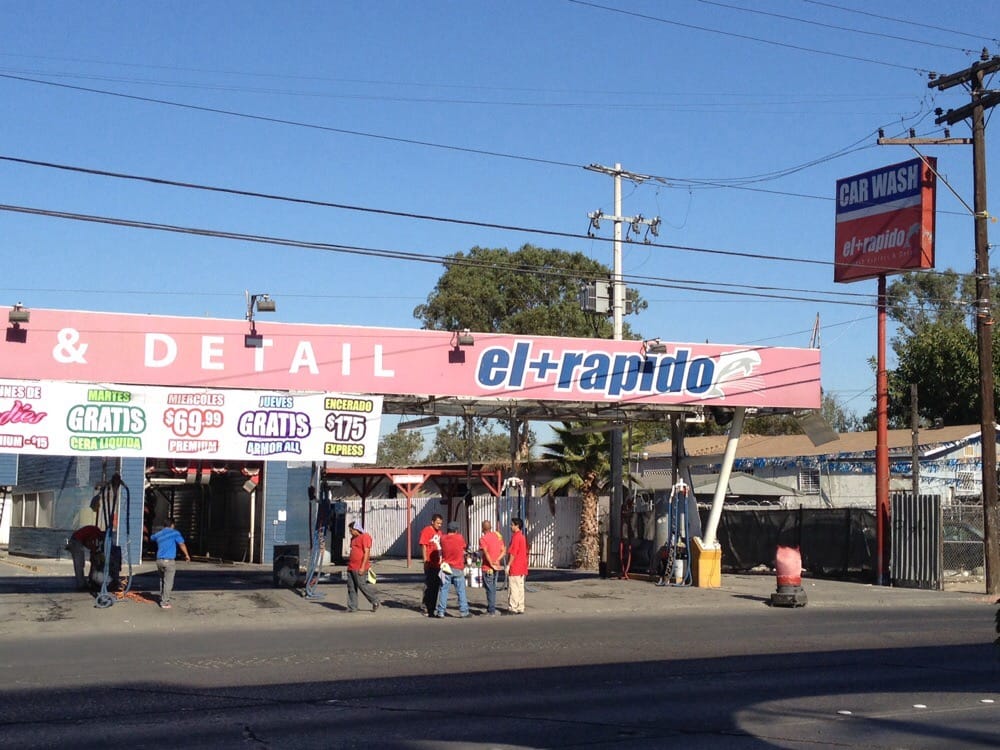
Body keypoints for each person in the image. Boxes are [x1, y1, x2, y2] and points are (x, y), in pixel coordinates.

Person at [150, 518, 190, 609]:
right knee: (168, 582)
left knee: (162, 580)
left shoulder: (159, 534)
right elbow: (181, 544)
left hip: (159, 560)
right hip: (169, 561)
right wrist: (187, 555)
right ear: (172, 525)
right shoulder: (175, 533)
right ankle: (164, 602)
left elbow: (152, 538)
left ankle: (162, 597)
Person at [434, 521, 470, 618]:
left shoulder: (443, 538)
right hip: (458, 567)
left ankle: (441, 611)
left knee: (444, 590)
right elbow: (463, 548)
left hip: (446, 568)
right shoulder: (459, 538)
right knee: (461, 591)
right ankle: (464, 611)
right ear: (456, 530)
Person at [346, 521, 381, 613]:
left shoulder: (365, 537)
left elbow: (366, 553)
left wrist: (362, 567)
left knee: (362, 585)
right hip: (351, 566)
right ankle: (352, 607)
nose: (350, 532)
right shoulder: (353, 539)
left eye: (351, 530)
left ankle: (375, 600)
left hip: (360, 567)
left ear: (356, 529)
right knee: (351, 587)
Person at [478, 519, 506, 616]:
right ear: (490, 527)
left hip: (488, 568)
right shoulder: (497, 536)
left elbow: (486, 553)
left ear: (482, 528)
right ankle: (492, 608)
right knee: (493, 588)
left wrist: (491, 563)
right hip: (496, 566)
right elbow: (503, 551)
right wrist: (497, 560)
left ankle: (491, 610)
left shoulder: (483, 539)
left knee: (489, 589)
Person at [418, 513, 444, 616]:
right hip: (430, 562)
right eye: (438, 523)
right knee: (429, 585)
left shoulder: (440, 533)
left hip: (438, 563)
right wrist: (425, 560)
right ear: (432, 522)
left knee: (436, 585)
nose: (439, 525)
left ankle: (432, 605)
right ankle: (425, 606)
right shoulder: (426, 531)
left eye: (441, 523)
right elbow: (424, 546)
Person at [67, 524, 103, 590]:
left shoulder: (94, 530)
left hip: (74, 541)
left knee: (80, 564)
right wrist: (94, 551)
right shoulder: (96, 532)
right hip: (76, 542)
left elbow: (88, 543)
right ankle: (81, 585)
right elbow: (90, 543)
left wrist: (93, 550)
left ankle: (82, 583)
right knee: (79, 564)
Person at [506, 517, 528, 615]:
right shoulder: (522, 537)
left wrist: (508, 565)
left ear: (517, 526)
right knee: (520, 588)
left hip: (515, 566)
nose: (510, 526)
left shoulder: (515, 537)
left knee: (513, 588)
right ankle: (520, 607)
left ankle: (513, 607)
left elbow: (513, 553)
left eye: (512, 524)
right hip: (522, 566)